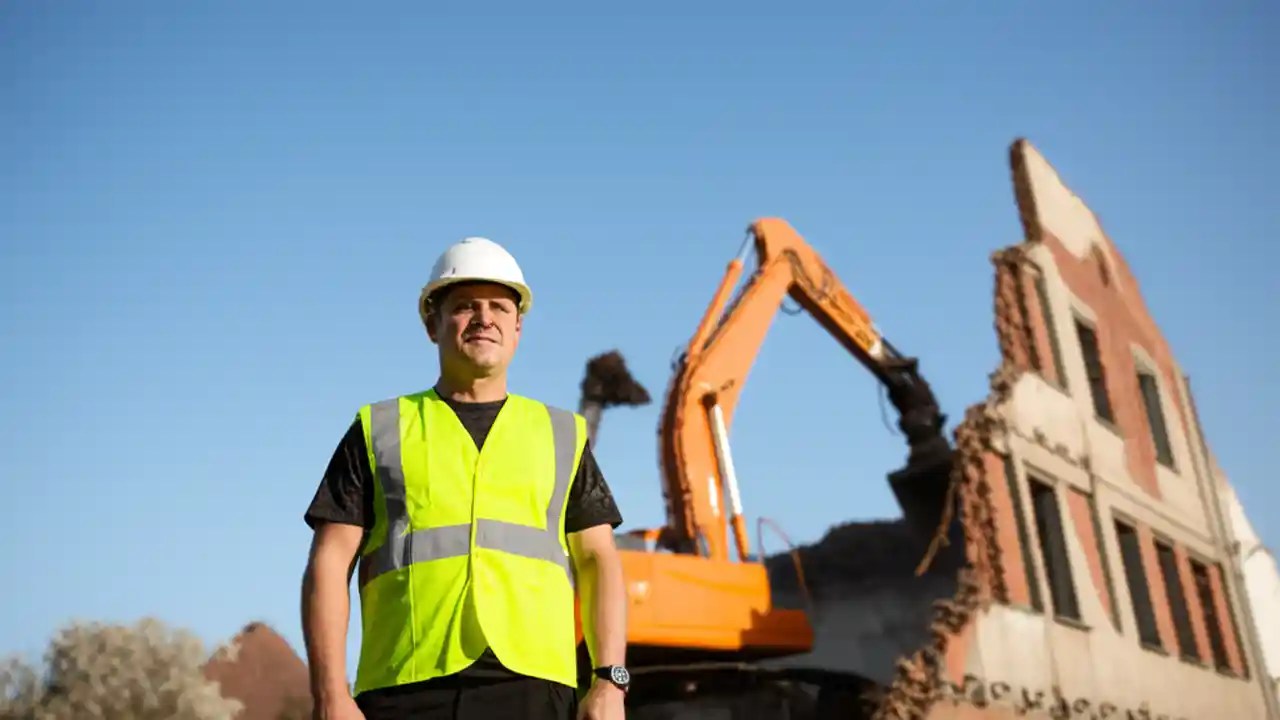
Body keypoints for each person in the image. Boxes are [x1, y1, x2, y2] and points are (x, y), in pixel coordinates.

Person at [300, 236, 630, 720]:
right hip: (406, 687)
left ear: (518, 327)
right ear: (432, 323)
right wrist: (330, 694)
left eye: (499, 306)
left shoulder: (562, 434)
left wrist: (610, 682)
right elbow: (329, 562)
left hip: (535, 689)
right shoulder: (379, 429)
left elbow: (599, 559)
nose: (484, 318)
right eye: (465, 306)